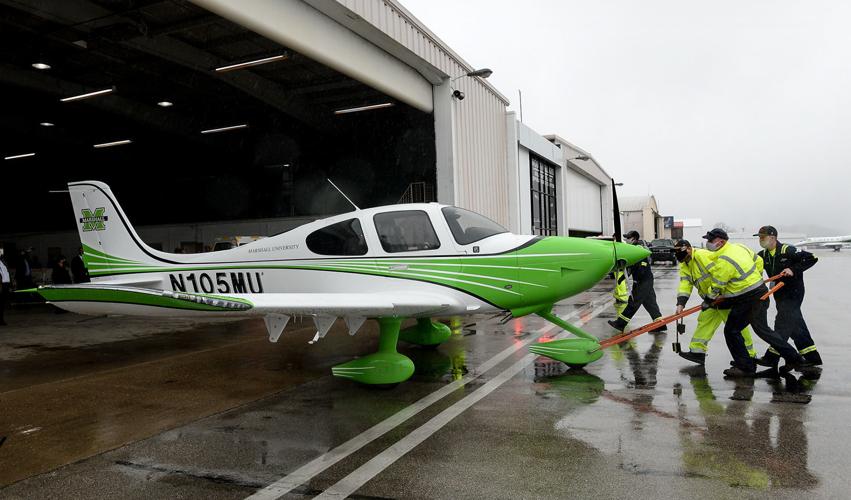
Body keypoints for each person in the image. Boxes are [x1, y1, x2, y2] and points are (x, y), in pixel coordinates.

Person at [701, 228, 811, 377]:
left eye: (710, 240)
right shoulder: (739, 247)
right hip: (759, 293)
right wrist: (756, 279)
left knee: (732, 330)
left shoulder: (724, 260)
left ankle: (745, 366)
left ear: (720, 242)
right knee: (762, 330)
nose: (708, 244)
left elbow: (717, 285)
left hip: (748, 299)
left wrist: (708, 300)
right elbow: (758, 261)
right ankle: (795, 359)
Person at [673, 239, 756, 364]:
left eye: (681, 253)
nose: (680, 257)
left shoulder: (703, 256)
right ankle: (697, 352)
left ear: (689, 249)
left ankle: (749, 355)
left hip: (723, 296)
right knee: (704, 321)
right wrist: (681, 303)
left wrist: (718, 294)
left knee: (735, 326)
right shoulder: (684, 264)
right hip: (710, 299)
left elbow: (720, 274)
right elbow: (685, 284)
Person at [753, 225, 821, 371]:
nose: (760, 240)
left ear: (773, 237)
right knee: (796, 325)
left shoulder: (787, 250)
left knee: (782, 323)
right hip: (779, 293)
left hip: (794, 292)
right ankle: (812, 357)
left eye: (762, 237)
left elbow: (811, 258)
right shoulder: (762, 255)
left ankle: (771, 357)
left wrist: (793, 269)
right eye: (759, 237)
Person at [607, 230, 666, 332]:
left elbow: (642, 265)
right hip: (645, 281)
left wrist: (638, 281)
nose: (626, 240)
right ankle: (660, 324)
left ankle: (620, 324)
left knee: (633, 302)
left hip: (643, 281)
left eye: (628, 238)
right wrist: (622, 278)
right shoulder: (632, 250)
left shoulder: (638, 249)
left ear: (634, 239)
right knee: (650, 304)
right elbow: (631, 268)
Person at [0, 254, 10, 326]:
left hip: (5, 285)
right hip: (1, 285)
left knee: (2, 304)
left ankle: (1, 320)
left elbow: (6, 275)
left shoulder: (3, 264)